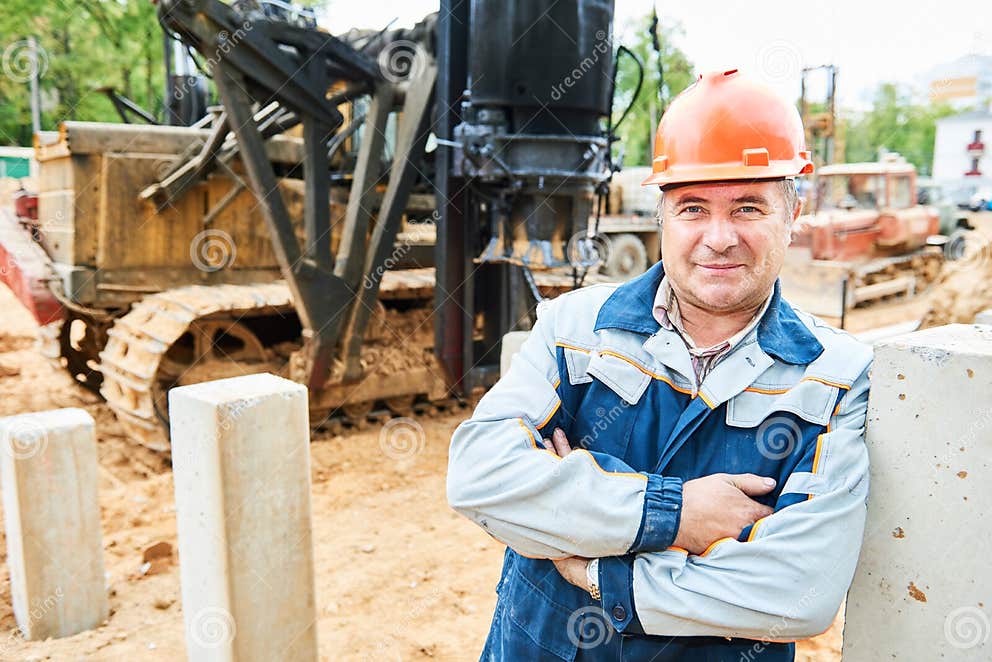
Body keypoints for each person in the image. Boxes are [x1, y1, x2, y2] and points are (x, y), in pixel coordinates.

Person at [447, 69, 872, 661]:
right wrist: (676, 516)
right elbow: (480, 478)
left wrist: (595, 564)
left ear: (793, 214)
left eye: (749, 207)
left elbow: (797, 593)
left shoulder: (835, 378)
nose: (719, 238)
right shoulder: (577, 329)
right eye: (693, 207)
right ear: (662, 216)